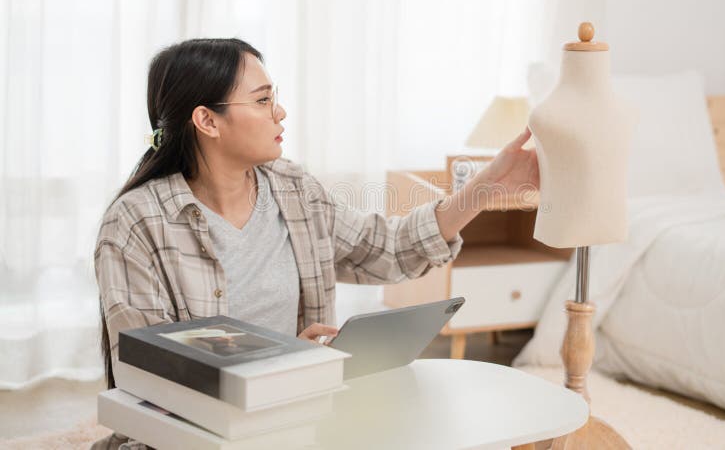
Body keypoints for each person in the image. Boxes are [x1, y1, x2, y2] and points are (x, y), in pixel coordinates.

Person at [92, 38, 540, 449]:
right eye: (263, 100)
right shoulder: (135, 224)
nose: (280, 113)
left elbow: (387, 249)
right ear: (207, 120)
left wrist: (484, 188)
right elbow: (150, 377)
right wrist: (281, 362)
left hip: (302, 420)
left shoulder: (294, 189)